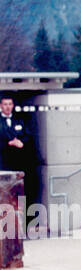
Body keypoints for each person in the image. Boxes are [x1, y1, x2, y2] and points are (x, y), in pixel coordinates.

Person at [0, 94, 39, 230]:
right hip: (4, 164)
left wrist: (21, 143)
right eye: (5, 104)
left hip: (20, 164)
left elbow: (28, 137)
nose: (8, 107)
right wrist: (8, 143)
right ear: (1, 106)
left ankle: (25, 223)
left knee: (21, 193)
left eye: (10, 104)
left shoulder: (20, 121)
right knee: (5, 194)